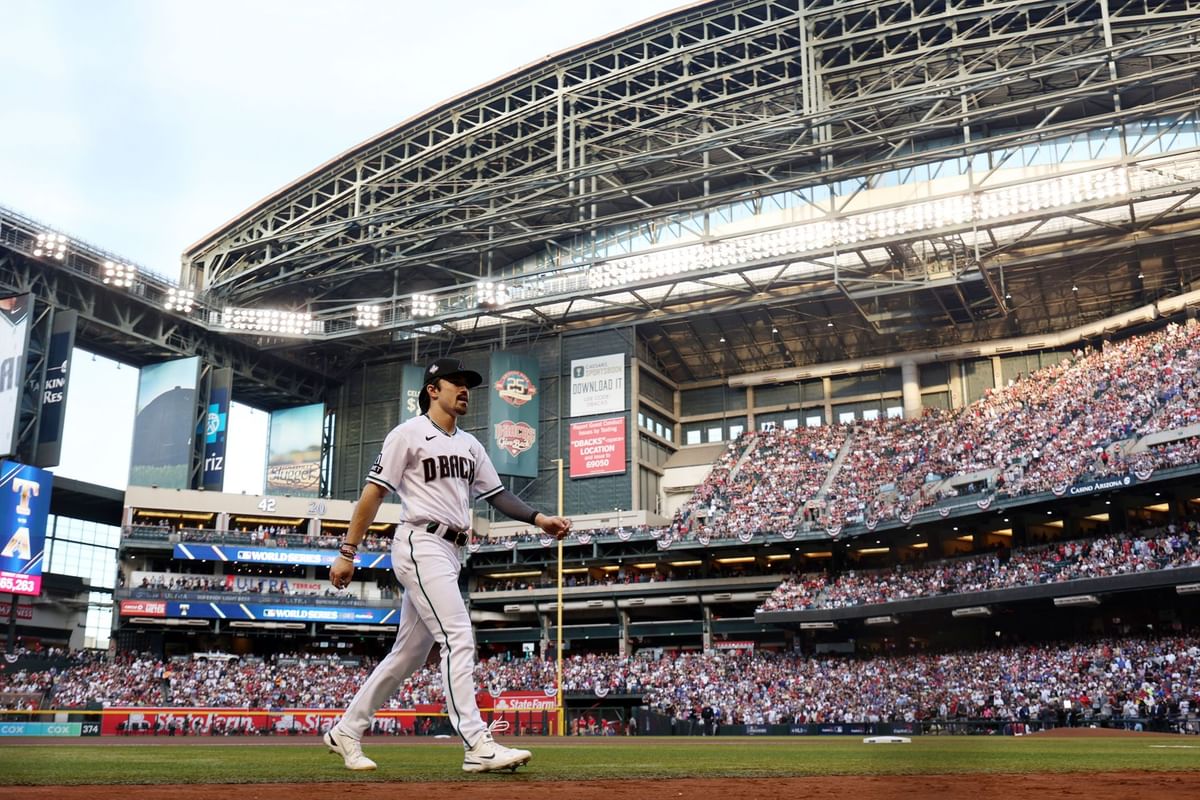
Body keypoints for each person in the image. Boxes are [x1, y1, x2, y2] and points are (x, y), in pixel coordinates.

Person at [323, 357, 572, 773]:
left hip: (452, 551)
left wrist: (538, 518)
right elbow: (373, 494)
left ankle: (346, 730)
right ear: (432, 390)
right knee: (458, 637)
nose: (464, 389)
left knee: (408, 655)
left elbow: (497, 494)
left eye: (467, 384)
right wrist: (348, 552)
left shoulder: (470, 445)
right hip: (420, 542)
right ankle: (476, 743)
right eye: (454, 382)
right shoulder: (407, 434)